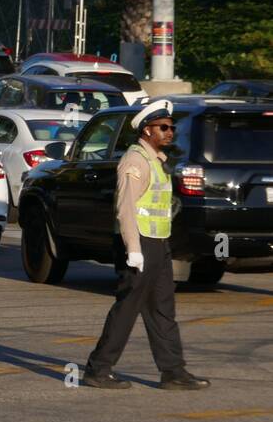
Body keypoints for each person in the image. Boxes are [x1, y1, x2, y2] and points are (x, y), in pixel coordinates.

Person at [83, 101, 210, 391]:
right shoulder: (135, 160)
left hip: (157, 244)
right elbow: (125, 208)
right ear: (146, 130)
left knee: (163, 308)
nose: (170, 132)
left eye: (171, 127)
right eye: (163, 127)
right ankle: (98, 369)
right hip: (139, 244)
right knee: (128, 306)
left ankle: (173, 372)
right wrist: (133, 249)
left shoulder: (157, 160)